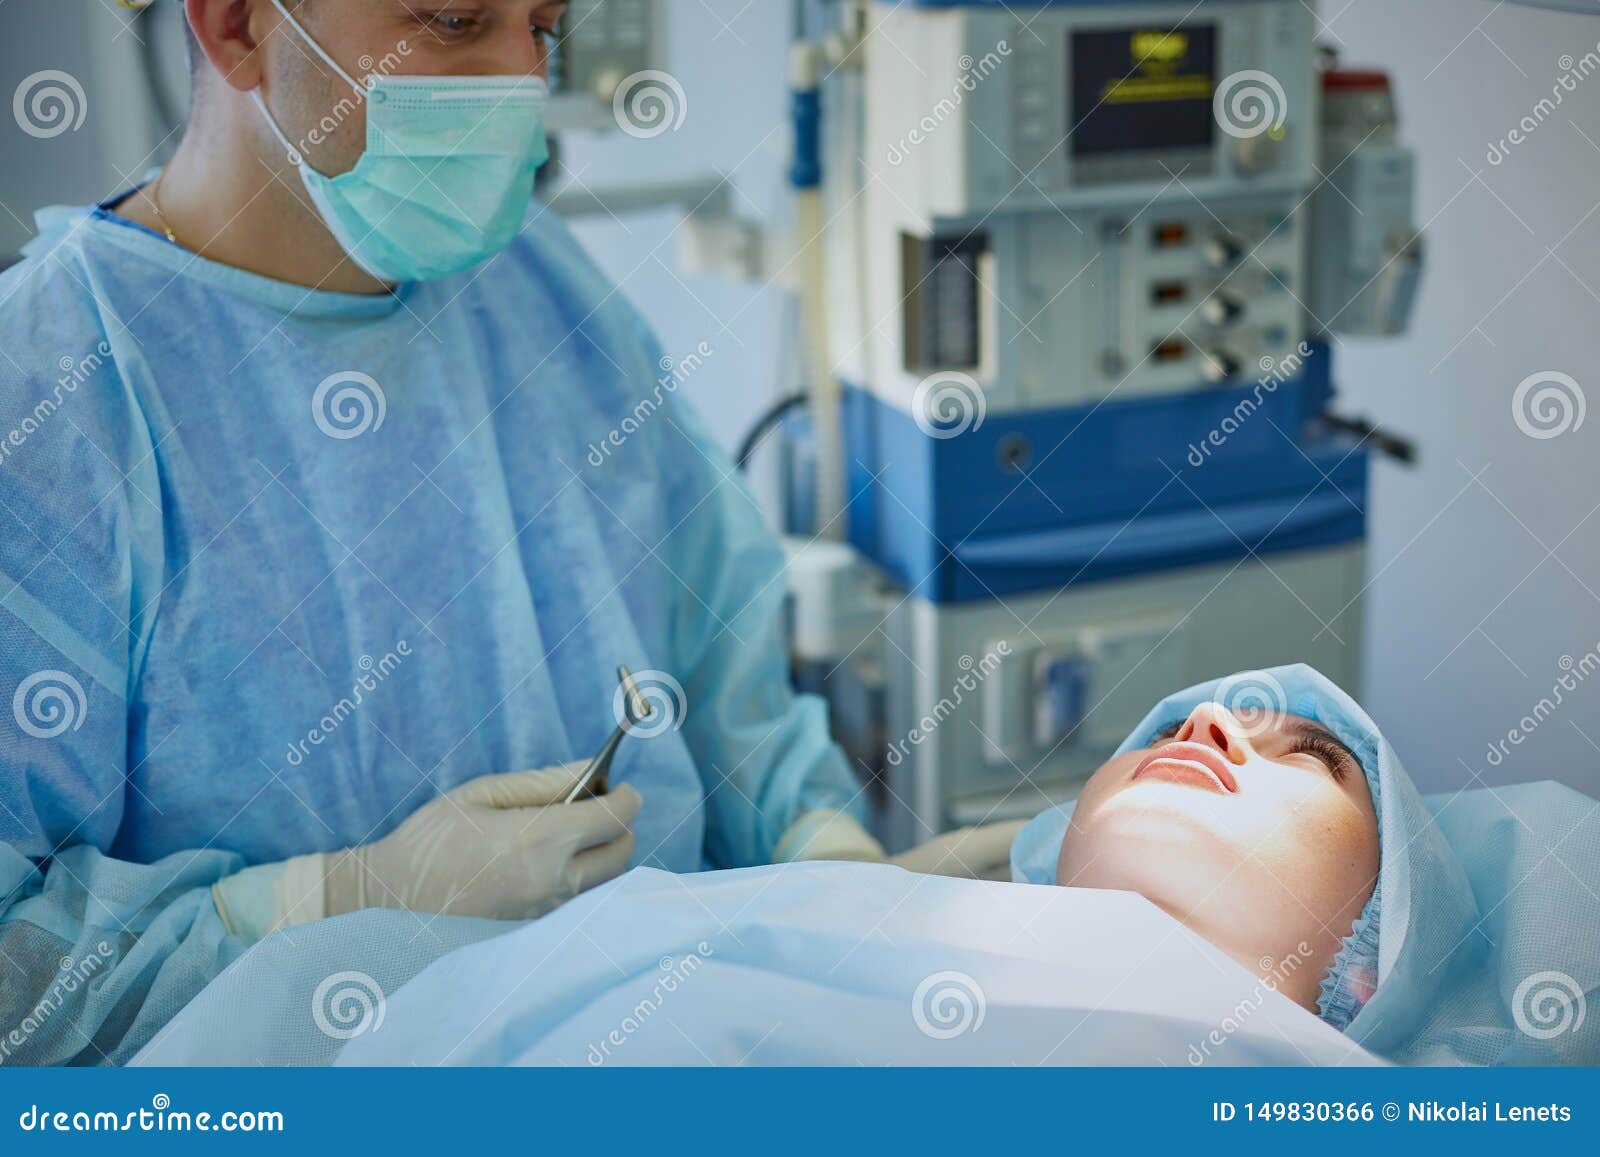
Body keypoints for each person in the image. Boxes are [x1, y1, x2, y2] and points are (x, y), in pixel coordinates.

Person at [0, 0, 1009, 1065]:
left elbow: (724, 675)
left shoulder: (535, 283)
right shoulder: (54, 399)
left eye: (543, 27)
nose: (516, 77)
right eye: (452, 20)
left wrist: (835, 867)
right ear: (238, 25)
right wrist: (326, 901)